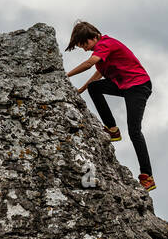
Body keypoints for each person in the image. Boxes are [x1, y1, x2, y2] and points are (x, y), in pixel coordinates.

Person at [65, 20, 156, 192]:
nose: (84, 48)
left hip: (138, 86)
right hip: (124, 85)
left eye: (84, 44)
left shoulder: (106, 43)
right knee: (94, 87)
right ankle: (112, 130)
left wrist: (65, 75)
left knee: (134, 130)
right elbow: (98, 72)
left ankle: (147, 176)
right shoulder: (100, 51)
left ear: (94, 36)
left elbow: (89, 64)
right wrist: (82, 89)